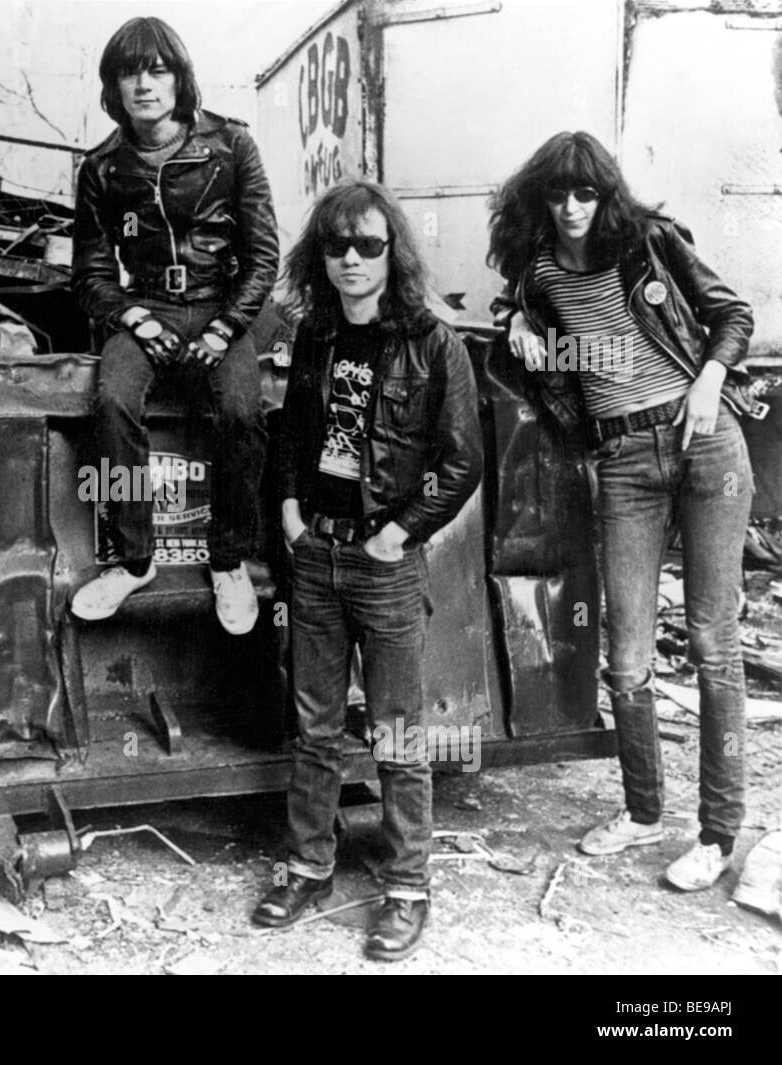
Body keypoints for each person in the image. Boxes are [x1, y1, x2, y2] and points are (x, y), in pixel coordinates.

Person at [487, 130, 757, 892]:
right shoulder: (539, 270)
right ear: (540, 199)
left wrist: (710, 380)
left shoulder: (650, 245)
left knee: (711, 641)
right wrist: (518, 323)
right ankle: (643, 811)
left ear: (606, 195)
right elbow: (516, 310)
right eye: (558, 194)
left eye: (586, 193)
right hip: (624, 460)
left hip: (703, 439)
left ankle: (717, 832)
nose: (572, 207)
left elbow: (733, 314)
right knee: (627, 655)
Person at [252, 180, 482, 960]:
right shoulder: (316, 335)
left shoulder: (433, 341)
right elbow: (291, 434)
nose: (351, 259)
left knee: (396, 734)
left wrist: (398, 534)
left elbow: (462, 461)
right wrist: (290, 511)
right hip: (316, 555)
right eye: (337, 245)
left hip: (383, 565)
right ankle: (307, 867)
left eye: (368, 245)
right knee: (314, 730)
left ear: (393, 253)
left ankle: (407, 887)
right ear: (321, 256)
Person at [70, 15, 279, 634]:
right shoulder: (102, 168)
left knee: (242, 412)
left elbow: (264, 257)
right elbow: (90, 274)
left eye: (157, 71)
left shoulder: (231, 145)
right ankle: (134, 561)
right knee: (112, 401)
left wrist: (225, 329)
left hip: (221, 306)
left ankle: (228, 561)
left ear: (179, 78)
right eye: (129, 73)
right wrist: (133, 316)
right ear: (113, 86)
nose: (144, 84)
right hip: (147, 307)